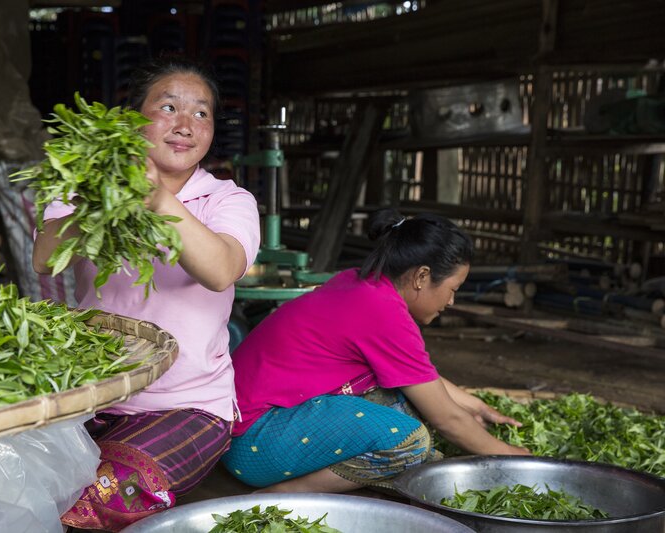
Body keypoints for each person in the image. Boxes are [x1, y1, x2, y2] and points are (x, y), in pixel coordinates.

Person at [33, 57, 260, 531]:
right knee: (15, 485)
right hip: (89, 396)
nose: (185, 124)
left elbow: (221, 270)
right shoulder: (85, 189)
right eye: (169, 107)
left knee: (92, 501)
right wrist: (103, 195)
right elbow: (46, 258)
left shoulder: (227, 200)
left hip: (187, 406)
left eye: (201, 113)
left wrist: (158, 199)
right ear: (132, 120)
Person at [222, 209, 529, 493]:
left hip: (238, 428)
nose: (450, 302)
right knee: (410, 442)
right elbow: (448, 420)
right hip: (253, 443)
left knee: (406, 405)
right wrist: (515, 459)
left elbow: (418, 377)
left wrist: (474, 405)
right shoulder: (383, 313)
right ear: (422, 277)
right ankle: (285, 494)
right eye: (453, 290)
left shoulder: (362, 284)